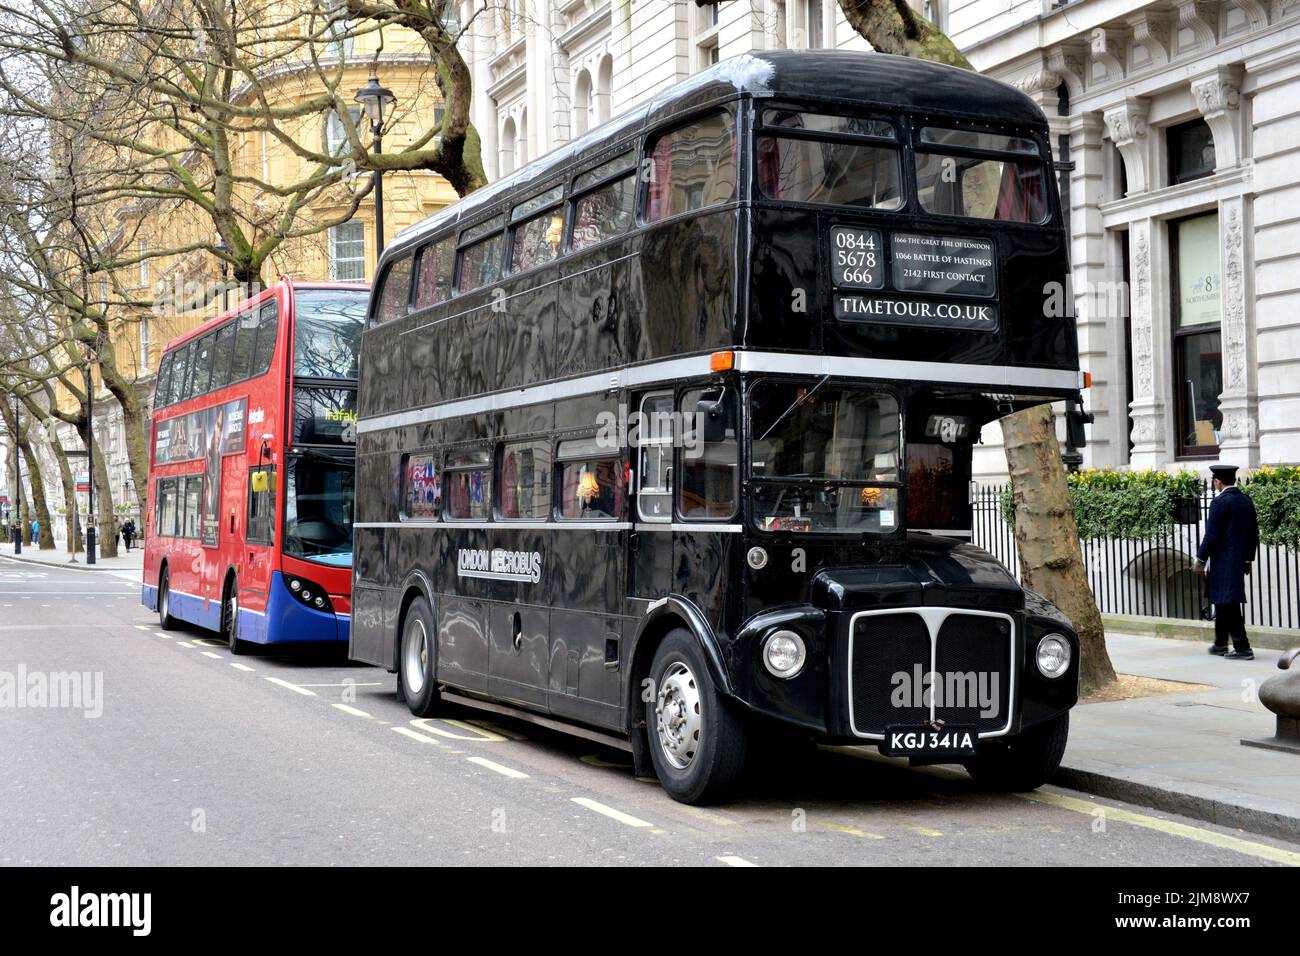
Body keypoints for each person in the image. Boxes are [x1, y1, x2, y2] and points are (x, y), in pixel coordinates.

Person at [1194, 464, 1260, 660]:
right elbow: (1252, 534)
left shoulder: (1220, 502)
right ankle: (1220, 644)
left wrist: (1200, 559)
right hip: (1238, 559)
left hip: (1223, 560)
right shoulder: (1245, 500)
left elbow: (1212, 534)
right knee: (1222, 600)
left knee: (1228, 602)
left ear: (1217, 481)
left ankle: (1242, 647)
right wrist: (1248, 559)